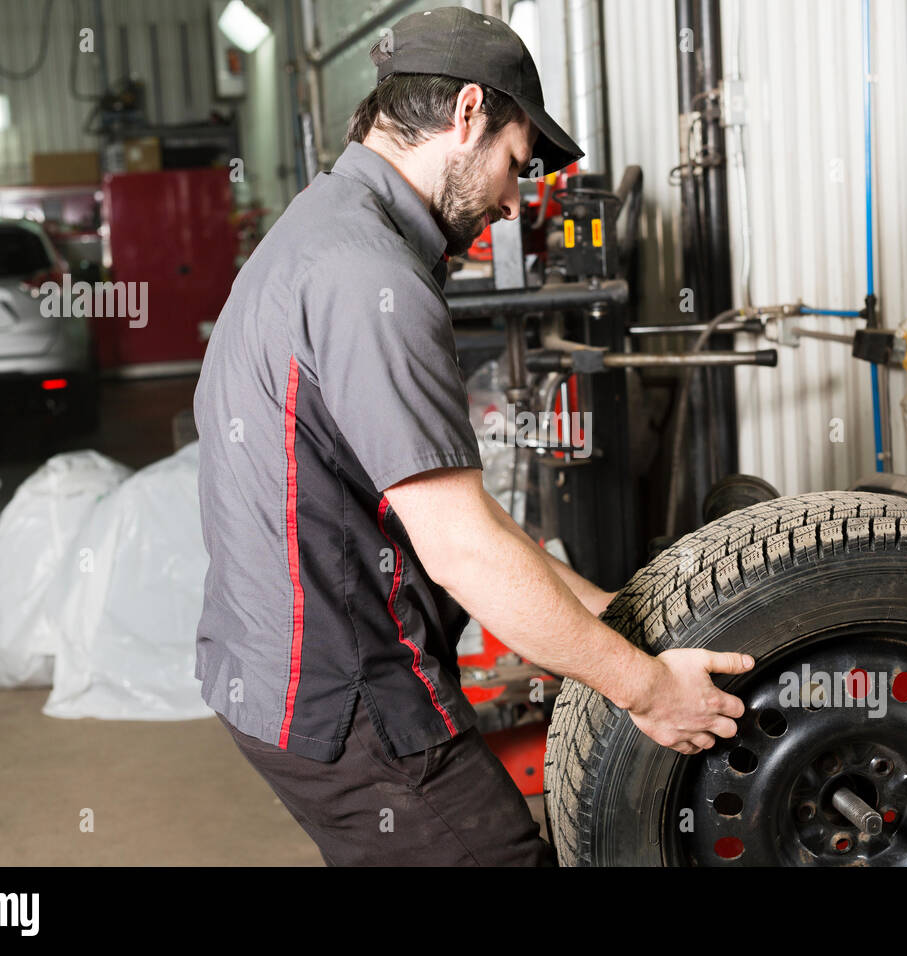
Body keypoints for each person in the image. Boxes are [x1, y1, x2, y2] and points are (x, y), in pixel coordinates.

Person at [193, 5, 753, 867]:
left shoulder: (326, 230)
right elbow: (462, 551)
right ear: (464, 114)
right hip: (349, 699)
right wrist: (647, 690)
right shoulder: (366, 275)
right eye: (513, 164)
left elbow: (453, 520)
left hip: (278, 670)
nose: (510, 197)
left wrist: (609, 616)